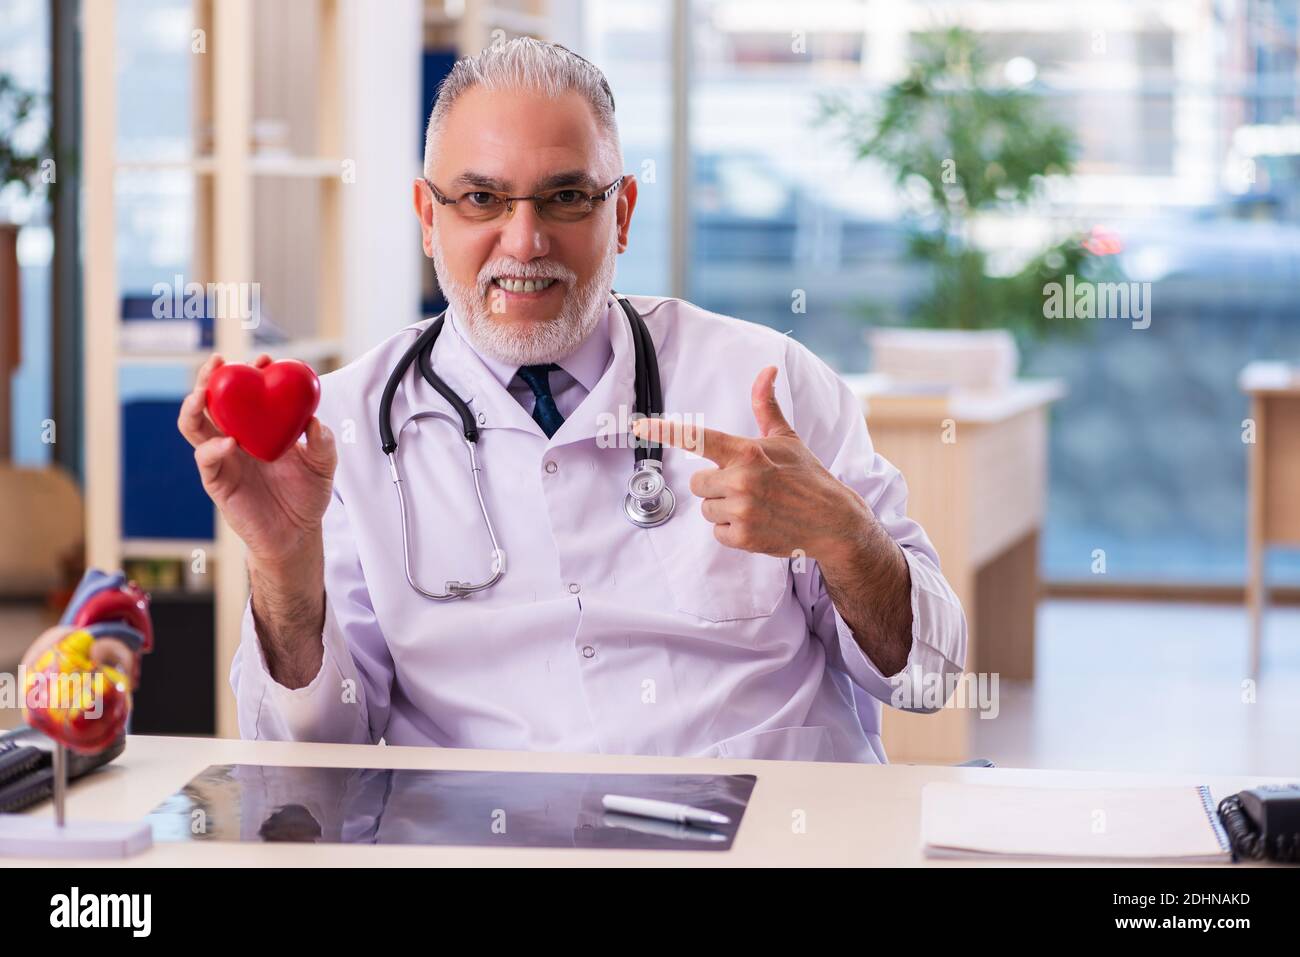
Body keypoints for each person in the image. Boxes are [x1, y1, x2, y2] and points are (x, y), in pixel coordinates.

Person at [162, 38, 967, 763]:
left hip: (773, 840)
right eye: (481, 199)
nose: (524, 241)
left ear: (620, 213)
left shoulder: (768, 385)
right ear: (427, 218)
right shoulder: (336, 433)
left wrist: (845, 537)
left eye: (565, 197)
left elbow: (931, 677)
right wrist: (284, 564)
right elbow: (311, 759)